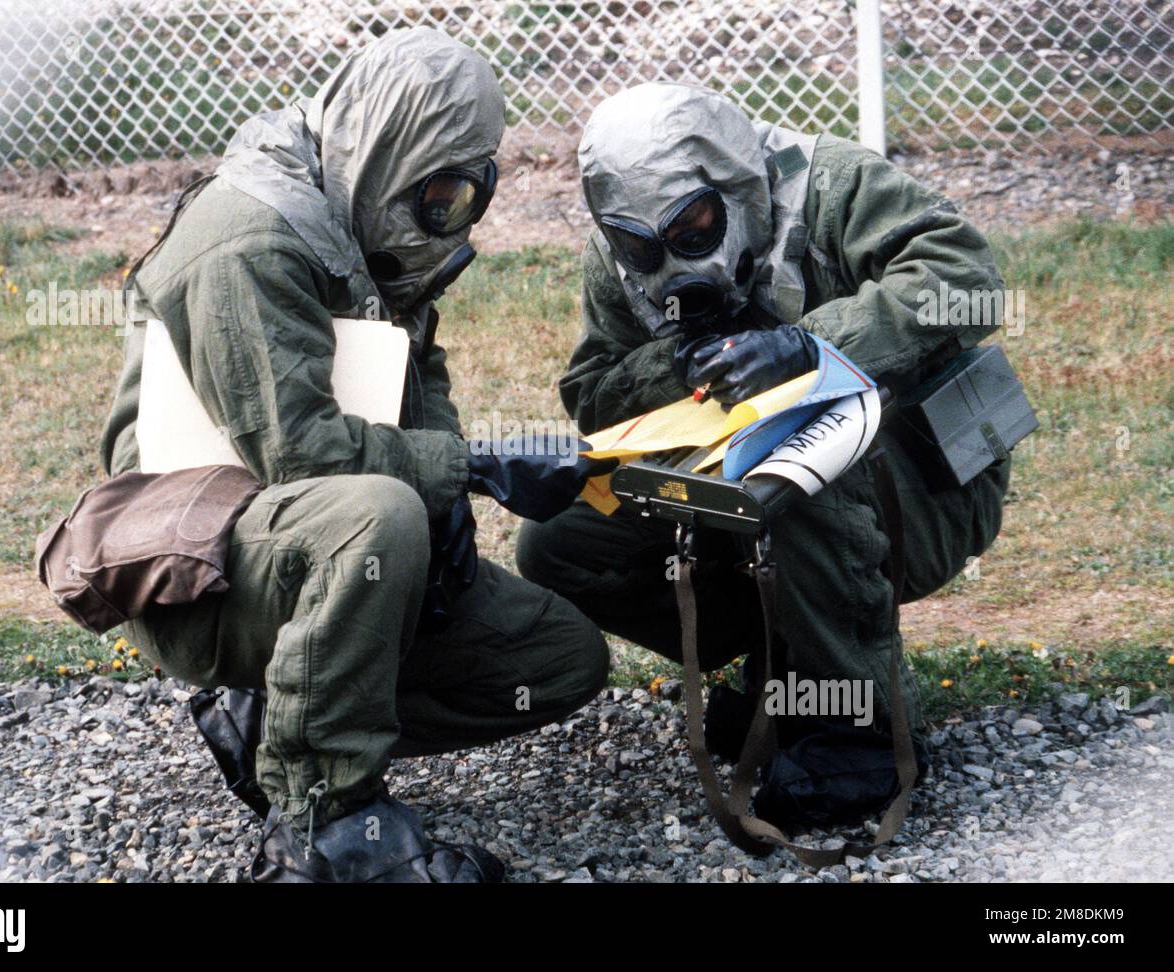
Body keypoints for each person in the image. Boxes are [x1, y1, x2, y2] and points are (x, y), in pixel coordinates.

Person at [100, 28, 610, 883]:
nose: (444, 218)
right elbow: (302, 456)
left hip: (299, 545)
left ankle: (273, 717)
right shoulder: (249, 238)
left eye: (461, 197)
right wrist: (470, 470)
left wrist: (443, 495)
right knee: (378, 513)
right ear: (385, 148)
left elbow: (417, 365)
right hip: (191, 568)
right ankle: (324, 824)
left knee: (556, 659)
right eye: (436, 193)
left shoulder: (360, 208)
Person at [517, 81, 1010, 773]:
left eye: (695, 231)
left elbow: (972, 283)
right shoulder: (621, 262)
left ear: (737, 186)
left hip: (930, 484)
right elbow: (593, 396)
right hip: (751, 498)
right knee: (560, 542)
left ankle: (863, 729)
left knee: (784, 478)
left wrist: (812, 347)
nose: (674, 264)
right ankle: (793, 665)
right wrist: (675, 360)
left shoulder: (832, 184)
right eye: (644, 246)